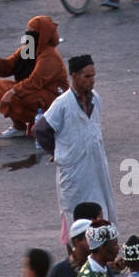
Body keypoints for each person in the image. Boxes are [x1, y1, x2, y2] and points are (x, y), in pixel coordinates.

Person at [39, 54, 116, 237]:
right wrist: (58, 152)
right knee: (74, 217)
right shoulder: (62, 104)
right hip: (74, 172)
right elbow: (40, 130)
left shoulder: (95, 99)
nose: (92, 80)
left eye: (93, 75)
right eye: (87, 76)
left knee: (101, 212)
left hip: (96, 169)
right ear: (74, 76)